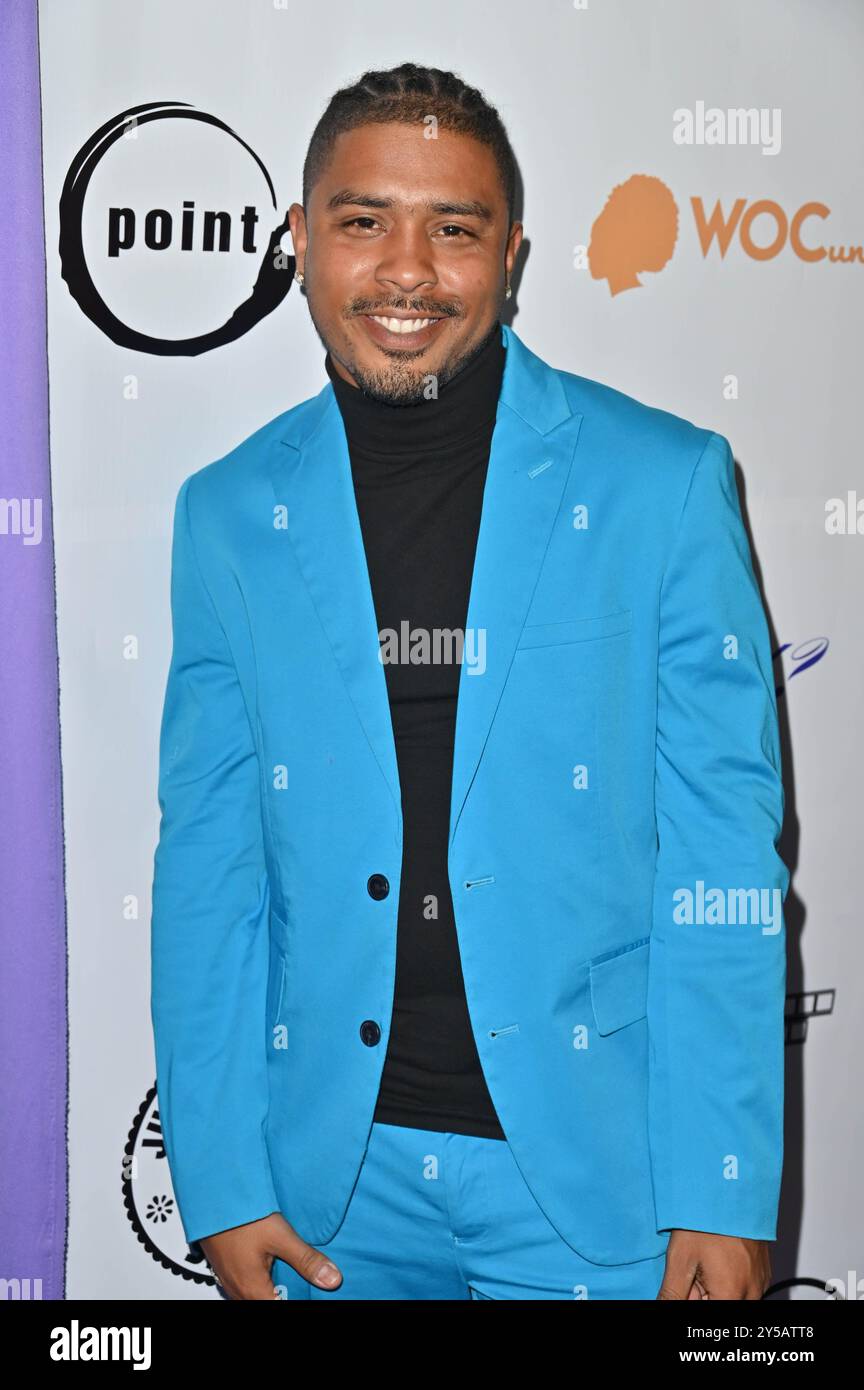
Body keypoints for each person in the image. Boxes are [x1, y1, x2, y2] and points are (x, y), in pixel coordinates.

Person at [150, 62, 788, 1301]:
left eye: (454, 227)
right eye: (362, 220)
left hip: (603, 1178)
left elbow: (725, 856)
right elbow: (207, 869)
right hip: (331, 1177)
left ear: (512, 258)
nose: (406, 269)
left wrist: (721, 1179)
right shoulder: (227, 513)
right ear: (300, 240)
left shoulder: (663, 483)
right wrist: (223, 1177)